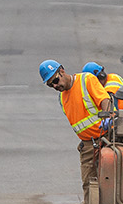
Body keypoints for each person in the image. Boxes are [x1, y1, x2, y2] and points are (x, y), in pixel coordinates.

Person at [40, 59, 115, 191]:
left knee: (113, 180)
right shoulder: (62, 99)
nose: (55, 86)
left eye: (55, 81)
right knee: (89, 186)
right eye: (51, 85)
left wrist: (107, 116)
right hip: (88, 146)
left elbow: (104, 99)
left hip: (108, 137)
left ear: (62, 71)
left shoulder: (86, 80)